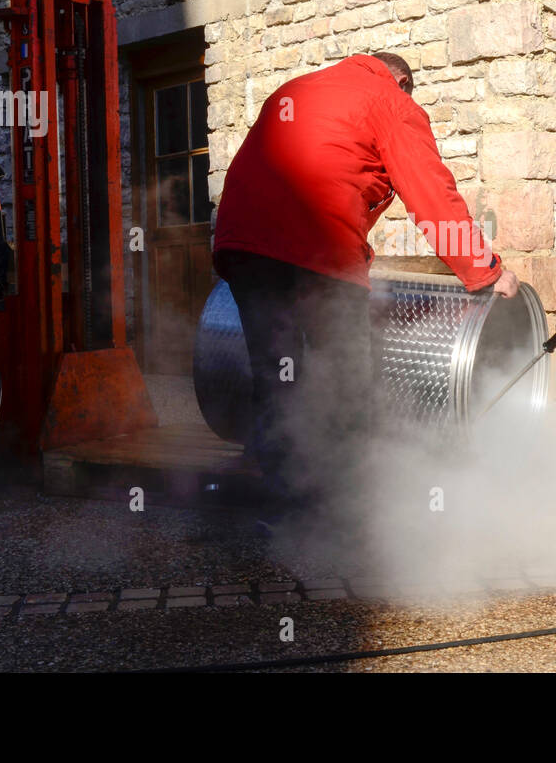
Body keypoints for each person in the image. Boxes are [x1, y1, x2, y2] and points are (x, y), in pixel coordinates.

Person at [213, 52, 518, 522]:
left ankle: (281, 500)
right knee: (348, 374)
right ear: (401, 81)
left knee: (276, 370)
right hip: (313, 246)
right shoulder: (389, 101)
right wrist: (486, 271)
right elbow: (432, 195)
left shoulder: (299, 89)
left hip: (242, 242)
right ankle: (349, 502)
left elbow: (308, 174)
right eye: (410, 91)